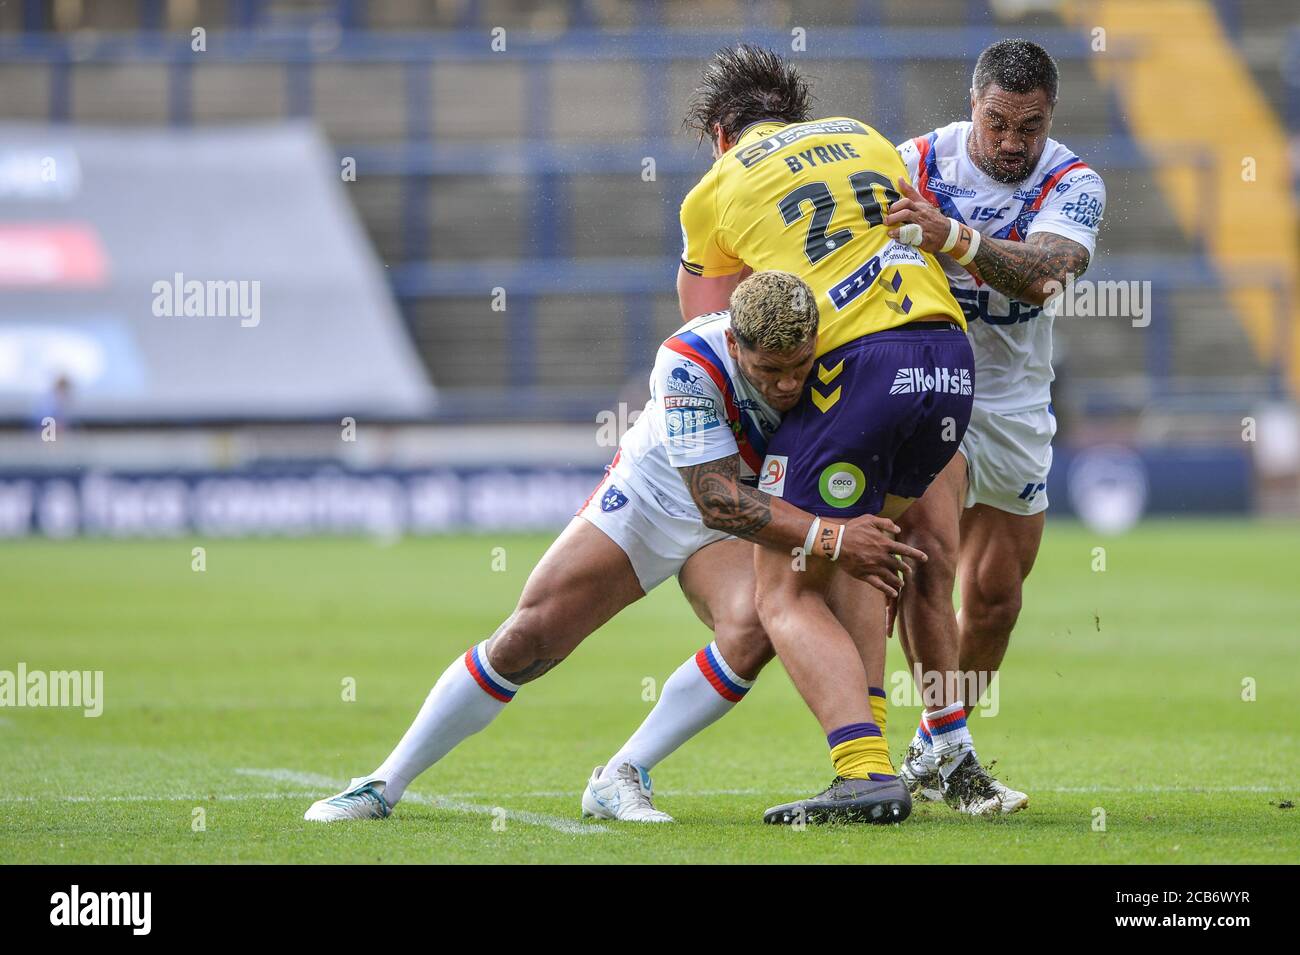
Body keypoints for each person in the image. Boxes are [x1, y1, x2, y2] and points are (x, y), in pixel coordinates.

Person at [304, 270, 924, 823]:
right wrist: (831, 537)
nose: (789, 384)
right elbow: (715, 498)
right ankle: (382, 784)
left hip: (749, 511)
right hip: (660, 496)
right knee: (529, 638)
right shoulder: (688, 359)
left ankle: (621, 775)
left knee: (755, 625)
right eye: (770, 372)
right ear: (735, 345)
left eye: (799, 365)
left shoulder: (841, 352)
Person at [673, 45, 973, 824]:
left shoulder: (716, 186)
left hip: (859, 372)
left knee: (782, 584)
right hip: (948, 360)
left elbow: (716, 326)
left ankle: (862, 768)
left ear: (718, 134)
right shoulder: (867, 137)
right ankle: (872, 762)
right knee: (854, 544)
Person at [884, 38, 1106, 815]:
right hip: (930, 379)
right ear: (972, 106)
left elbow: (1046, 272)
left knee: (996, 600)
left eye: (1030, 127)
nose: (1012, 143)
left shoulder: (1073, 181)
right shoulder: (912, 164)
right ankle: (910, 752)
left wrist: (954, 240)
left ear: (1051, 118)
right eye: (997, 124)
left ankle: (932, 742)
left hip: (1013, 396)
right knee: (928, 560)